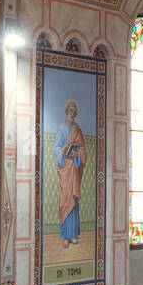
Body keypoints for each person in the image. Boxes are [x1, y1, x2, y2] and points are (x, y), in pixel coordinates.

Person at [53, 99, 86, 247]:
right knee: (65, 199)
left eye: (74, 111)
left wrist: (77, 153)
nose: (72, 114)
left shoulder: (77, 130)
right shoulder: (60, 129)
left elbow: (82, 149)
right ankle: (65, 236)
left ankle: (72, 235)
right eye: (70, 111)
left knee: (74, 200)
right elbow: (56, 147)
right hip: (65, 169)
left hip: (74, 169)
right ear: (66, 112)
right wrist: (64, 153)